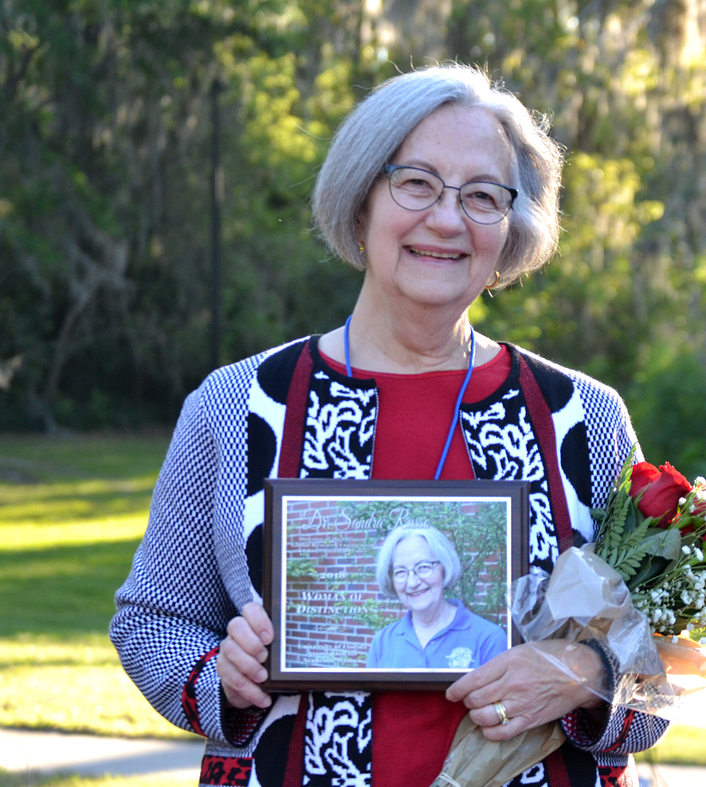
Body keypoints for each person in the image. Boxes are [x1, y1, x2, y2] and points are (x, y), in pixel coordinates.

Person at [111, 64, 670, 787]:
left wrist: (584, 670)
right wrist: (220, 674)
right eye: (416, 183)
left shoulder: (579, 417)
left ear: (509, 227)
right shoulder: (240, 403)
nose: (446, 218)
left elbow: (662, 667)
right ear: (361, 201)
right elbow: (153, 620)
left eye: (482, 196)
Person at [366, 525, 507, 669]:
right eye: (400, 572)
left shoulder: (489, 638)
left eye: (423, 567)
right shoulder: (382, 643)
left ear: (444, 569)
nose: (413, 582)